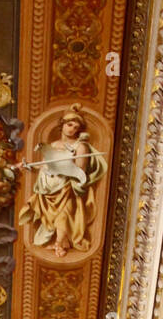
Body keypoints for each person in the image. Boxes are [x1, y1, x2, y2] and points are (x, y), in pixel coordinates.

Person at [18, 106, 107, 256]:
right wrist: (28, 166)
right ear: (62, 124)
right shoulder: (53, 145)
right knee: (51, 216)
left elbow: (80, 170)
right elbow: (45, 166)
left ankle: (59, 243)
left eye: (76, 127)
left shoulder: (80, 146)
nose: (72, 129)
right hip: (49, 186)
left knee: (64, 213)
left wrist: (62, 167)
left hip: (66, 185)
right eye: (69, 125)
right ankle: (58, 241)